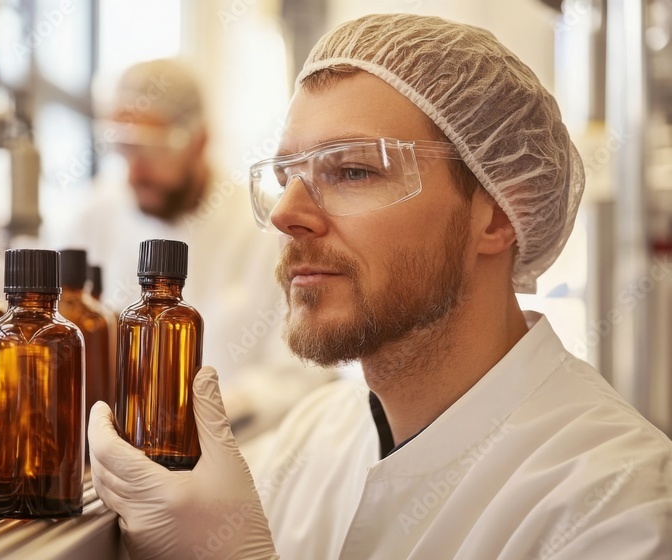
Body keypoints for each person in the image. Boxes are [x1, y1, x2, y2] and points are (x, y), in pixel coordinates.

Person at [86, 13, 672, 560]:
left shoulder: (615, 503)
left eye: (353, 170)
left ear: (497, 214)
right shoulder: (314, 437)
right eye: (286, 177)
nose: (287, 214)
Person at [59, 59, 332, 433]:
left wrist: (200, 414)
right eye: (125, 151)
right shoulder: (94, 219)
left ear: (199, 141)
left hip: (242, 447)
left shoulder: (266, 229)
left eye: (150, 152)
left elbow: (301, 373)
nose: (134, 173)